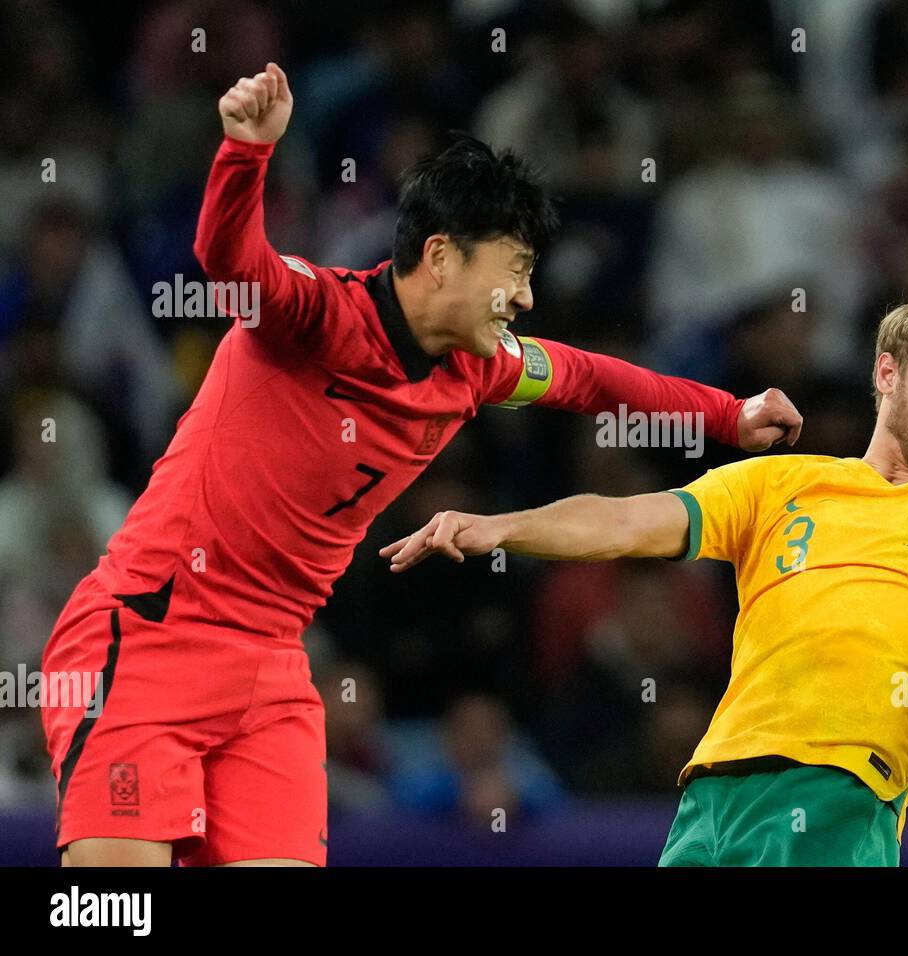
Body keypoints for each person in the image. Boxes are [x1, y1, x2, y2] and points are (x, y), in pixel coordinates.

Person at [41, 62, 801, 868]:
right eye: (514, 271)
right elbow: (232, 264)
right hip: (146, 638)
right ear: (441, 256)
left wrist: (730, 412)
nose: (528, 297)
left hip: (270, 672)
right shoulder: (314, 314)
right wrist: (245, 154)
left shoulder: (480, 367)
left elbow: (592, 378)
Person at [384, 264, 908, 866]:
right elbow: (626, 522)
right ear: (887, 373)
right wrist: (501, 527)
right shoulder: (779, 484)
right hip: (712, 795)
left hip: (839, 788)